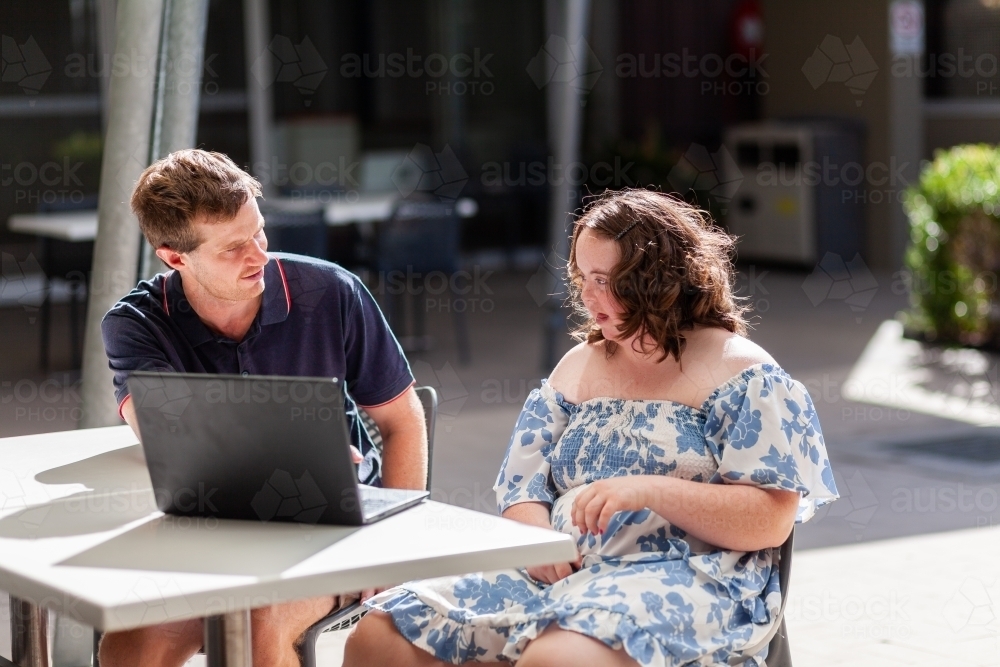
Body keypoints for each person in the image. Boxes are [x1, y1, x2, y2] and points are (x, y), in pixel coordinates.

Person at [344, 189, 839, 667]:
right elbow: (521, 488)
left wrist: (650, 490)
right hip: (557, 577)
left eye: (605, 280)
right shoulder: (577, 367)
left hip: (684, 578)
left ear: (658, 282)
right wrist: (540, 545)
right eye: (582, 276)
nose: (585, 294)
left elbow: (769, 519)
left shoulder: (741, 372)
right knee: (382, 634)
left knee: (559, 657)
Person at [99, 149, 427, 667]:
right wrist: (288, 456)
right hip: (209, 535)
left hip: (331, 530)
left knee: (258, 628)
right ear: (175, 257)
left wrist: (390, 552)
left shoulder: (331, 292)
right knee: (131, 647)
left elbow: (402, 420)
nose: (257, 256)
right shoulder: (136, 324)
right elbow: (161, 428)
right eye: (232, 248)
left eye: (259, 232)